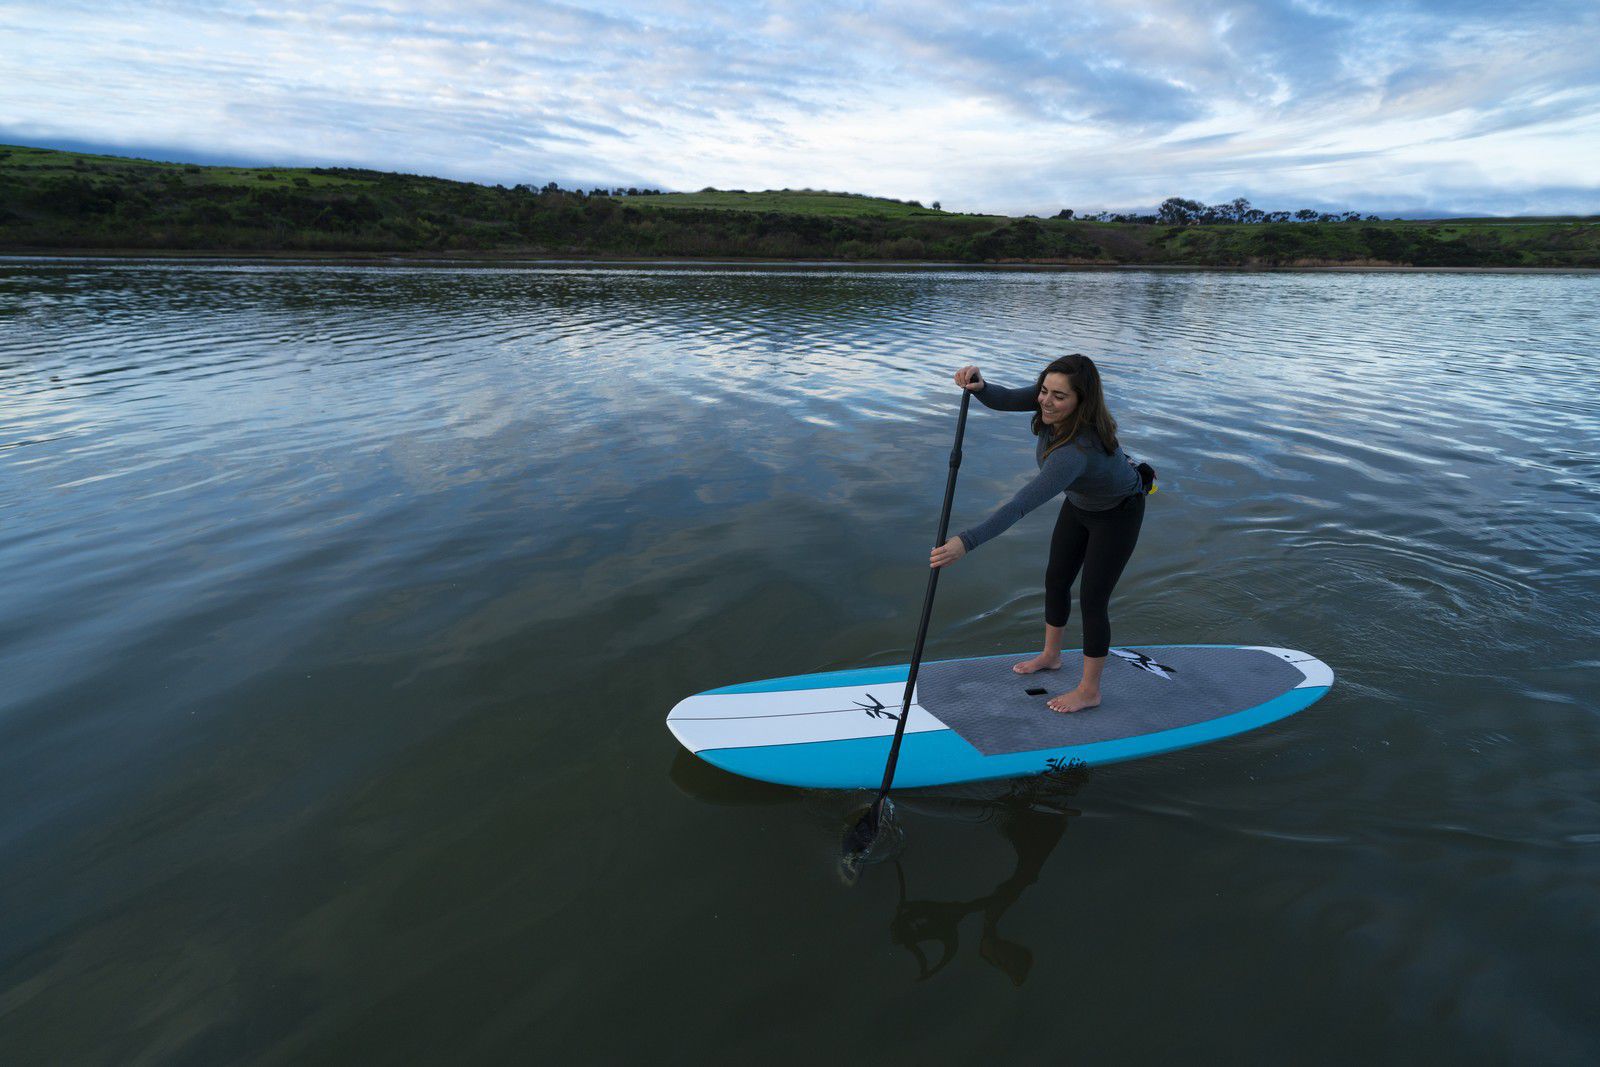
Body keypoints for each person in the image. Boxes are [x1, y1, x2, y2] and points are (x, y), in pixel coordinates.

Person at [930, 355, 1150, 714]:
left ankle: (1090, 690)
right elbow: (1006, 399)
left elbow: (1020, 505)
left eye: (1058, 396)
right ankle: (1051, 656)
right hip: (1081, 503)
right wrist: (980, 386)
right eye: (1044, 390)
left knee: (1093, 600)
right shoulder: (1049, 401)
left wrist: (965, 542)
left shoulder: (1075, 452)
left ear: (1082, 400)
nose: (1046, 401)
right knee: (1056, 580)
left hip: (1118, 514)